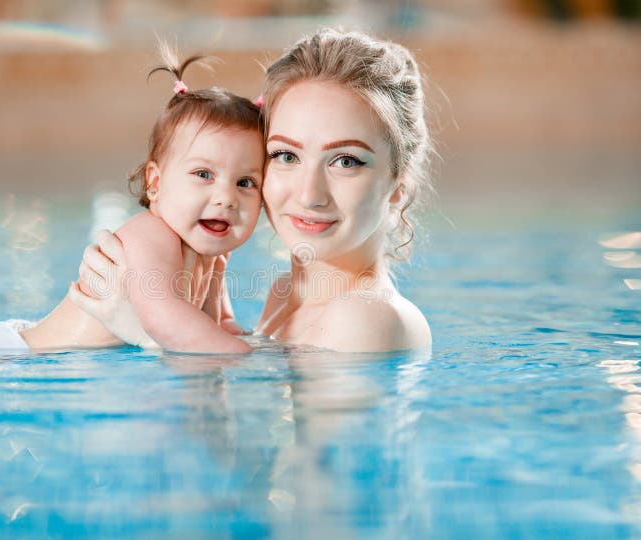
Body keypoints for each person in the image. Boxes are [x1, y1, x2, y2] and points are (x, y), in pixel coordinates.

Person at [74, 28, 433, 353]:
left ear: (398, 187)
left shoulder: (364, 319)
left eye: (346, 161)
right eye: (286, 155)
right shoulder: (283, 297)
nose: (309, 195)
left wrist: (149, 338)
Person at [0, 49, 264, 354]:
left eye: (245, 182)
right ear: (156, 183)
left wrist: (237, 336)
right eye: (204, 174)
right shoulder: (153, 237)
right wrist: (245, 358)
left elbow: (216, 326)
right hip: (8, 354)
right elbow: (164, 320)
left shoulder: (212, 255)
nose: (226, 198)